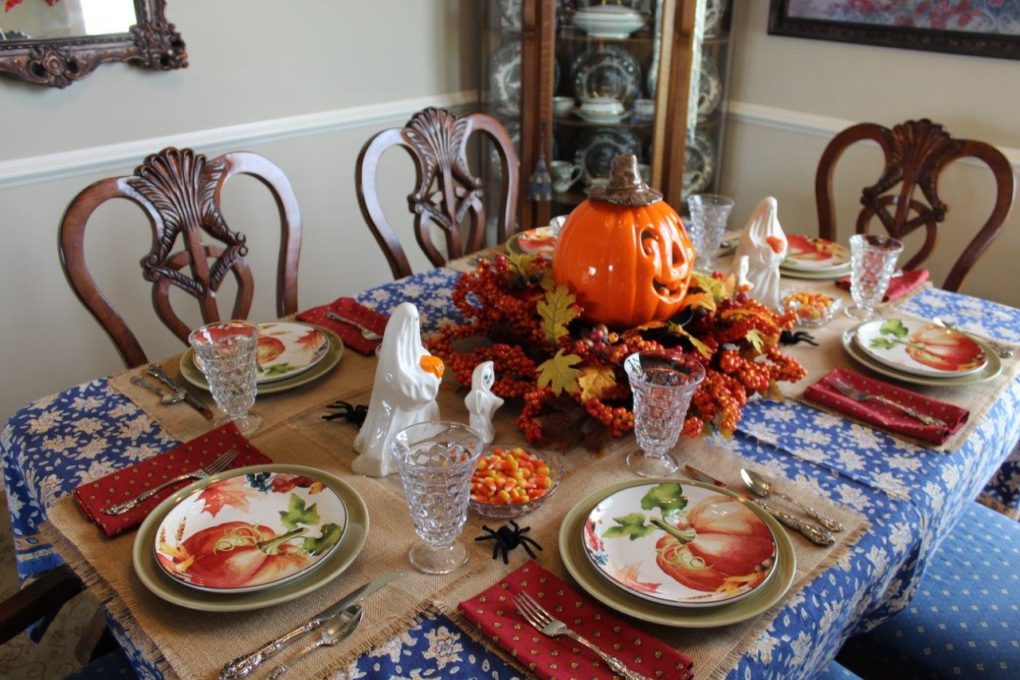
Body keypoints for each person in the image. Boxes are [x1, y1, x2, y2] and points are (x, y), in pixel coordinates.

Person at [352, 303, 441, 477]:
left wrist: (433, 371)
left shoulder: (420, 353)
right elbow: (407, 396)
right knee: (386, 442)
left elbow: (425, 371)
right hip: (397, 416)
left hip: (417, 419)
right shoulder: (393, 366)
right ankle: (384, 460)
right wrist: (432, 379)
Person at [733, 196, 787, 311]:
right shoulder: (750, 233)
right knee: (748, 288)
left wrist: (778, 249)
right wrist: (767, 250)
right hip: (752, 269)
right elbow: (749, 250)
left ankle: (769, 304)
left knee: (773, 280)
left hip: (769, 271)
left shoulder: (777, 230)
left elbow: (783, 248)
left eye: (772, 209)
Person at [464, 361, 503, 445]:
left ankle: (488, 435)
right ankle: (483, 439)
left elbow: (492, 401)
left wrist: (496, 402)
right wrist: (476, 403)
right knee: (481, 429)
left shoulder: (487, 393)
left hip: (486, 417)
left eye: (490, 376)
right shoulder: (476, 394)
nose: (488, 379)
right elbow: (472, 406)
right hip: (478, 419)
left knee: (487, 427)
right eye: (485, 377)